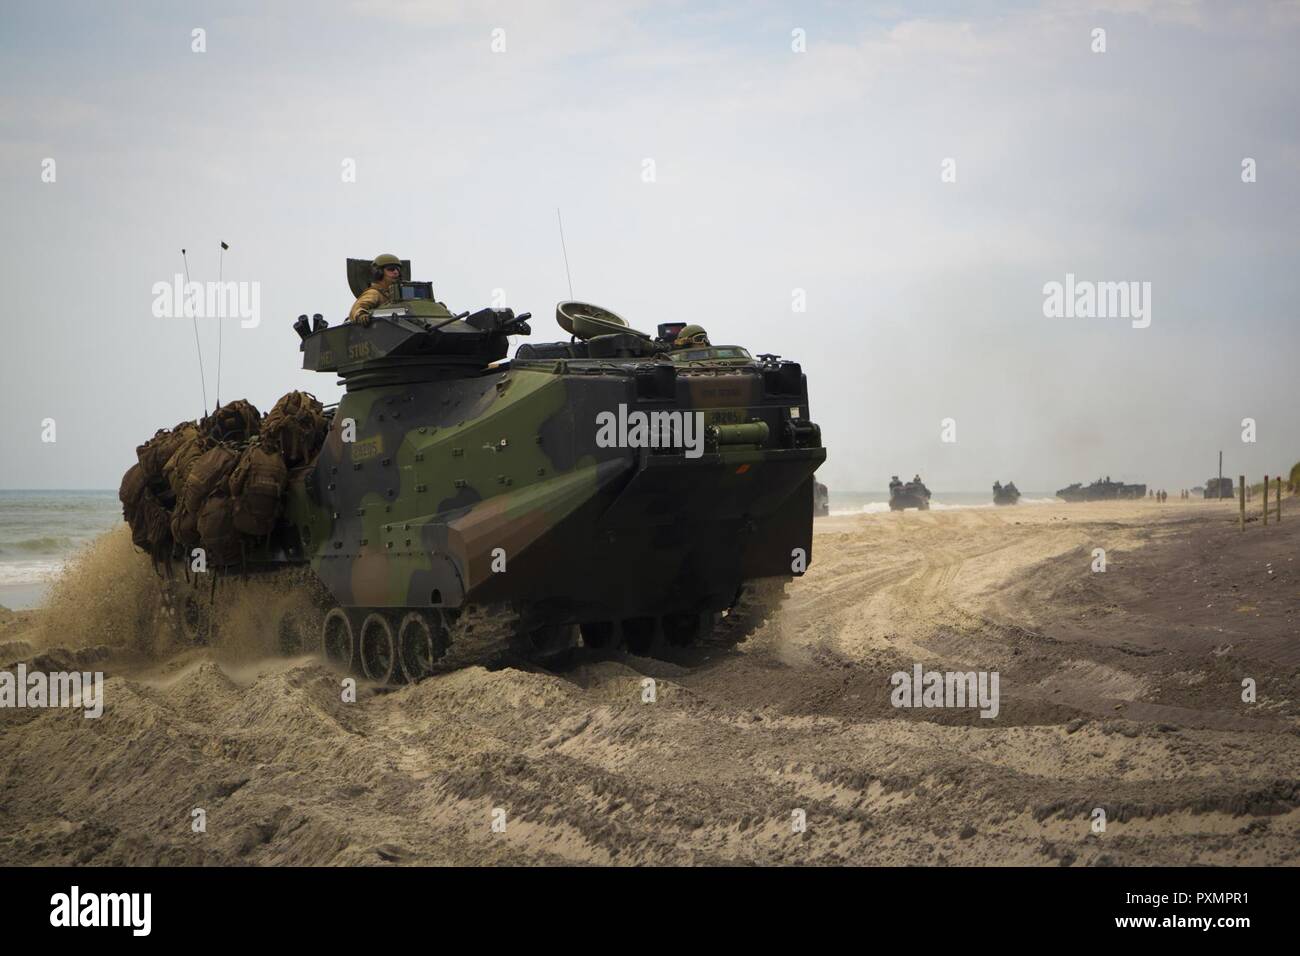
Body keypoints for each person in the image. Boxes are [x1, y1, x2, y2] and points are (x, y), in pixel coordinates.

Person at [348, 254, 402, 326]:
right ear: (379, 273)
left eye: (398, 270)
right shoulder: (374, 293)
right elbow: (358, 307)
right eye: (391, 269)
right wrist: (361, 315)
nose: (396, 272)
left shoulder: (396, 295)